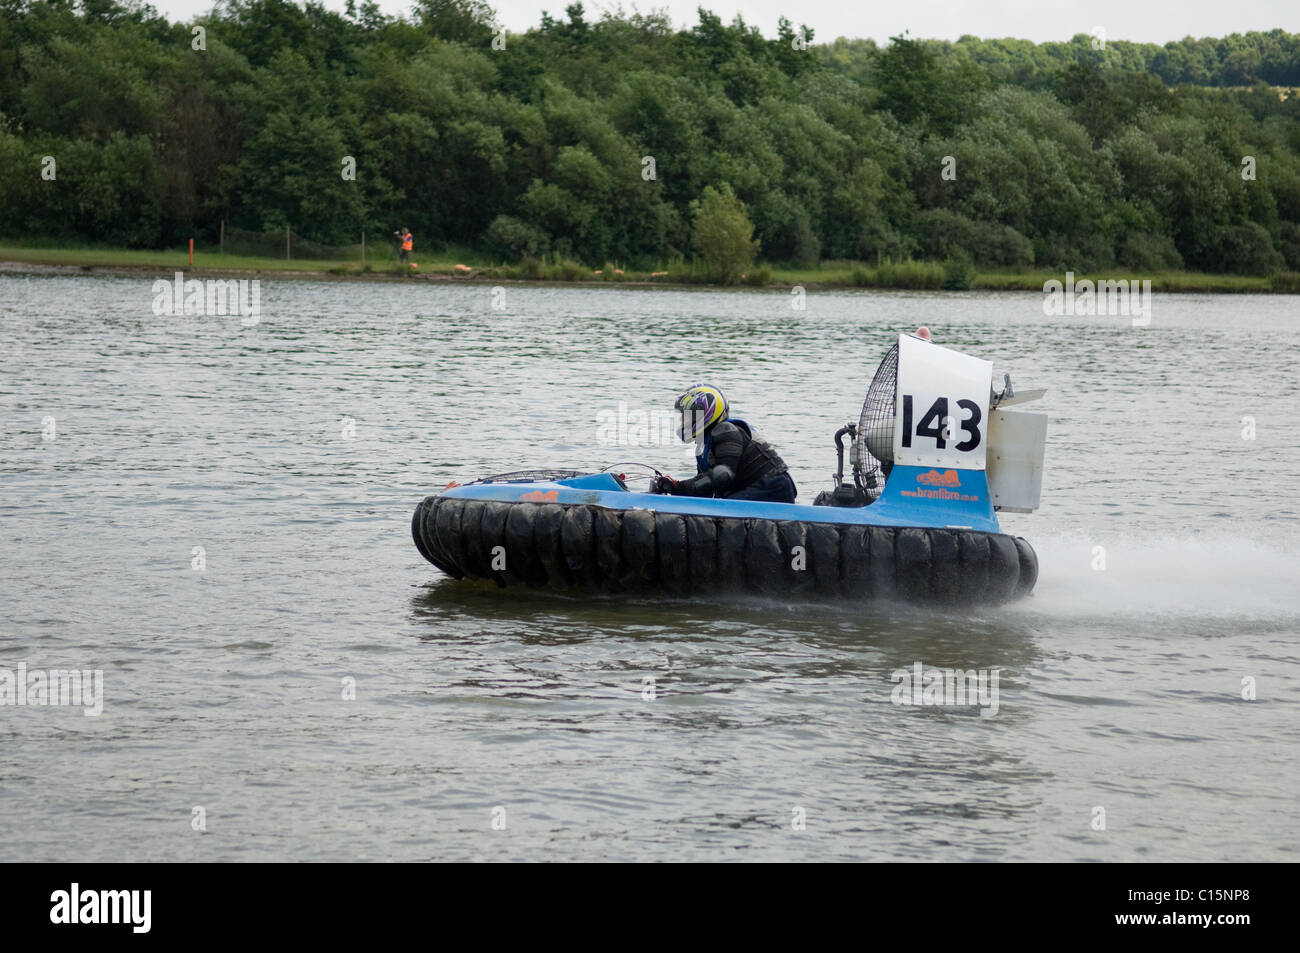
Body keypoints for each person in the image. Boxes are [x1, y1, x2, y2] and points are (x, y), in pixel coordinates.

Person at [652, 384, 798, 503]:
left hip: (772, 487)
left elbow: (723, 476)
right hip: (752, 489)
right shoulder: (704, 444)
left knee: (721, 510)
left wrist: (680, 488)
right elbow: (705, 485)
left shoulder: (726, 431)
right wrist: (675, 487)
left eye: (685, 416)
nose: (682, 421)